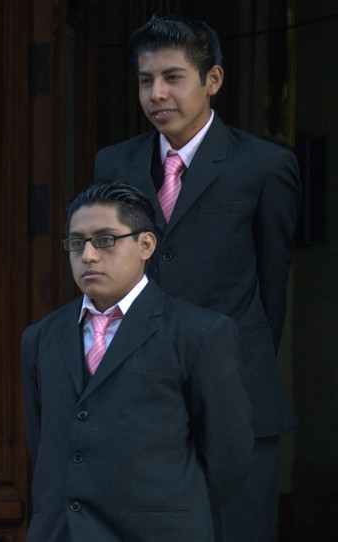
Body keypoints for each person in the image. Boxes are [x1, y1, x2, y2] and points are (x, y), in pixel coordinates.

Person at [93, 14, 301, 541]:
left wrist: (229, 360)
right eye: (146, 80)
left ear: (213, 80)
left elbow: (273, 287)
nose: (157, 93)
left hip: (239, 399)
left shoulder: (264, 166)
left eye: (173, 77)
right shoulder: (114, 164)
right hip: (139, 402)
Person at [21, 180, 253, 541]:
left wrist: (173, 508)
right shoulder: (41, 337)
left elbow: (228, 453)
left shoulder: (198, 332)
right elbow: (43, 445)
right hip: (63, 531)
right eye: (77, 243)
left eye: (105, 240)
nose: (88, 256)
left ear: (146, 244)